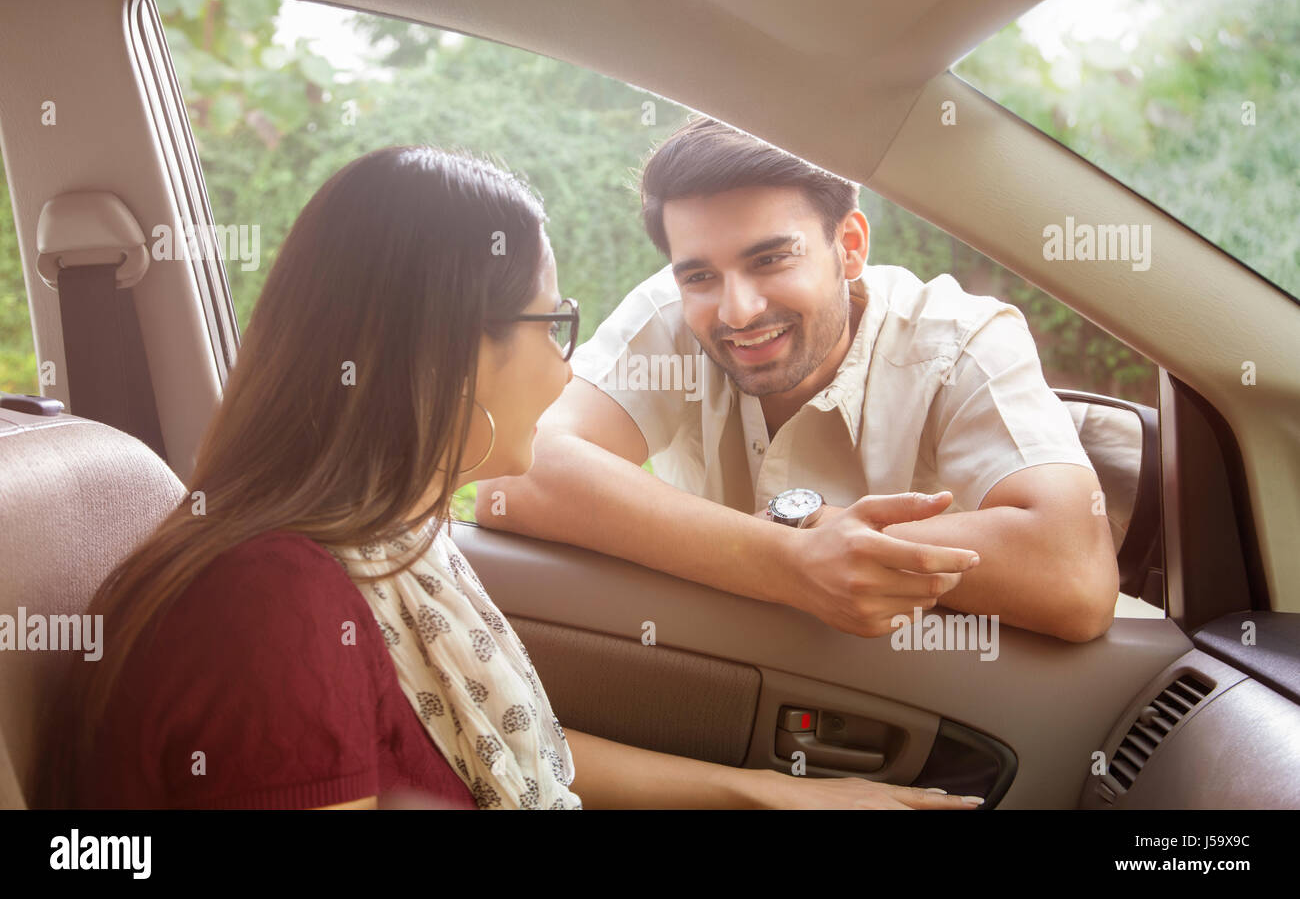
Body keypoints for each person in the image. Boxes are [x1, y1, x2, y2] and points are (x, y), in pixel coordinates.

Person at [36, 145, 980, 810]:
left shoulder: (386, 546)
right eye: (551, 326)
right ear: (444, 355)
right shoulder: (272, 611)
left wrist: (763, 792)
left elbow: (518, 752)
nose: (567, 372)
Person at [477, 118, 1120, 643]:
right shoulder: (668, 313)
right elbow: (512, 479)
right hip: (718, 668)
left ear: (850, 245)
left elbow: (1073, 570)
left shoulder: (959, 340)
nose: (737, 310)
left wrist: (815, 540)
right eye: (699, 274)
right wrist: (788, 561)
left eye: (771, 259)